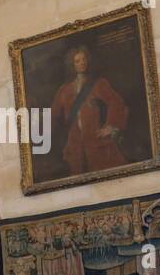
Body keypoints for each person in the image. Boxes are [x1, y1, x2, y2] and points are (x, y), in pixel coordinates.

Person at [51, 44, 128, 176]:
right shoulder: (64, 90)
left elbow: (116, 102)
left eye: (83, 59)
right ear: (72, 64)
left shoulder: (99, 83)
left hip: (95, 140)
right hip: (75, 144)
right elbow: (53, 115)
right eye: (77, 61)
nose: (82, 63)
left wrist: (111, 126)